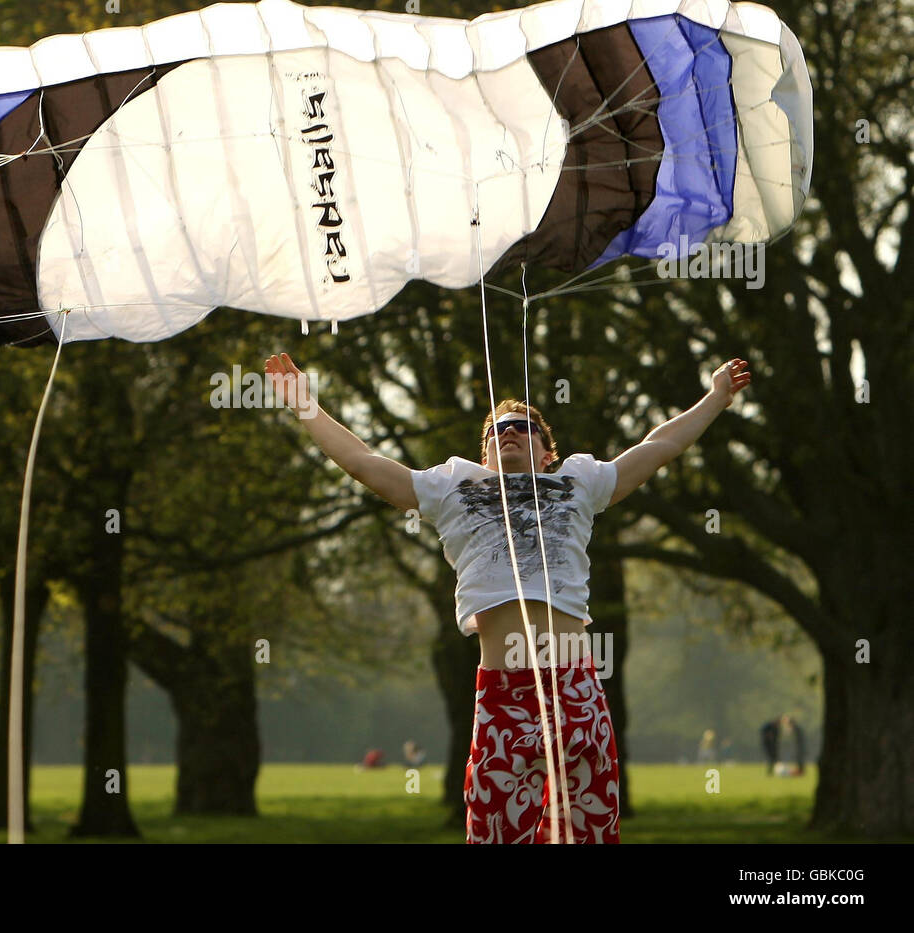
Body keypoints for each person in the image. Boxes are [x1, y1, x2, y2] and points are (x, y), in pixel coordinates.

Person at [265, 352, 752, 844]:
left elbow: (660, 445)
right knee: (495, 830)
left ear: (547, 454)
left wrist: (715, 398)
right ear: (483, 456)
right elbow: (364, 463)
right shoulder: (453, 488)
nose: (509, 432)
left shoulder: (578, 482)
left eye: (522, 426)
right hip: (503, 694)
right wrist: (306, 406)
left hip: (575, 689)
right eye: (496, 430)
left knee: (589, 834)